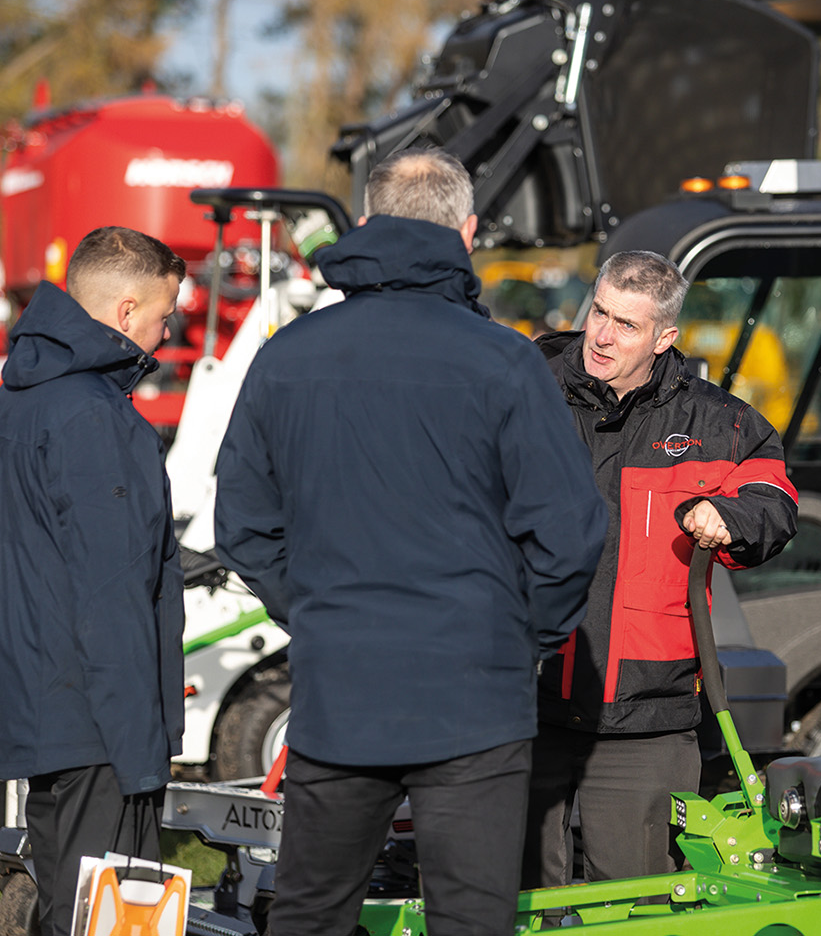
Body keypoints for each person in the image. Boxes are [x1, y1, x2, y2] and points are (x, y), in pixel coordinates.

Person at [215, 147, 607, 936]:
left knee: (310, 913)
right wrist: (517, 633)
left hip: (342, 684)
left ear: (365, 223)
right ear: (465, 234)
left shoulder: (286, 358)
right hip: (475, 694)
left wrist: (319, 610)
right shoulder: (504, 360)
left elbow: (244, 527)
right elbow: (571, 531)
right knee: (469, 917)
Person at [523, 250, 799, 889]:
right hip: (522, 704)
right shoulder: (524, 387)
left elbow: (776, 499)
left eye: (626, 324)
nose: (601, 334)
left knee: (636, 908)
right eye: (599, 312)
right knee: (514, 906)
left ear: (665, 337)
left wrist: (734, 516)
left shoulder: (717, 423)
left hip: (647, 720)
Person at [0, 226, 186, 936]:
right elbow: (114, 590)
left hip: (48, 709)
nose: (169, 330)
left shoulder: (23, 396)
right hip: (98, 721)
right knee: (111, 916)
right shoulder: (94, 415)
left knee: (65, 902)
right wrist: (142, 753)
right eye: (165, 313)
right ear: (126, 312)